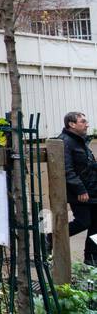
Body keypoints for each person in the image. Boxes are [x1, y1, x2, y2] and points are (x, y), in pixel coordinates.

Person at [59, 111, 97, 266]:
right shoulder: (65, 142)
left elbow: (88, 165)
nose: (87, 124)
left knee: (96, 227)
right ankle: (50, 238)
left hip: (92, 190)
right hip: (80, 193)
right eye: (83, 121)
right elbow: (67, 170)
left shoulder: (82, 141)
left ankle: (92, 260)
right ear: (71, 124)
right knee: (83, 222)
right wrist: (80, 189)